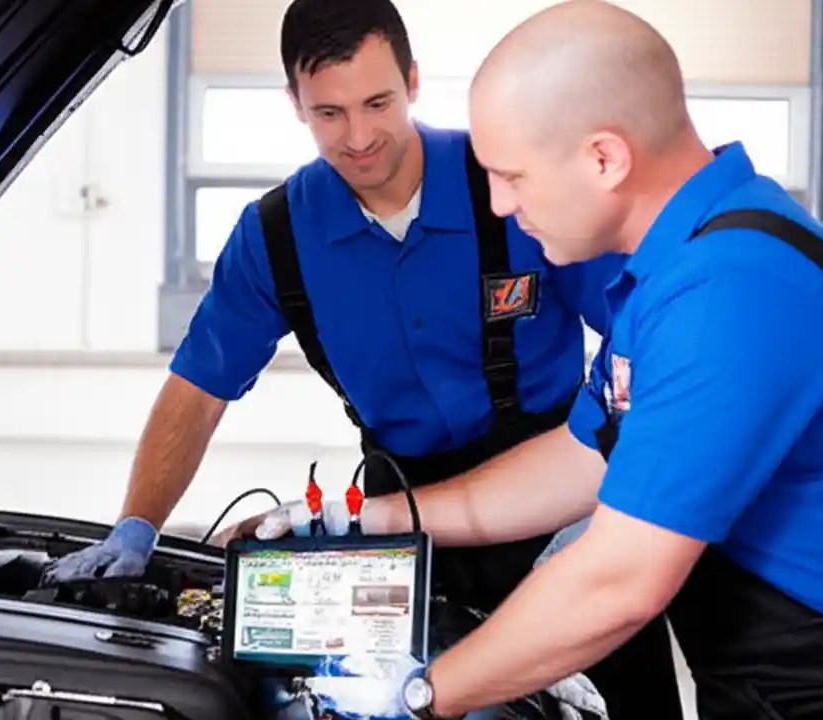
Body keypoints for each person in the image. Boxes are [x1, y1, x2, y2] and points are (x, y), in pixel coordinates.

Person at [44, 0, 683, 716]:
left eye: (378, 102)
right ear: (294, 104)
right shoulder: (277, 237)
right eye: (329, 113)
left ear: (412, 79)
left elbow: (650, 335)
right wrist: (138, 525)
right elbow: (198, 388)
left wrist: (622, 498)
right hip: (403, 531)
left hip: (561, 506)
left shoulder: (510, 187)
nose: (359, 137)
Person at [244, 1, 823, 717]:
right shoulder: (680, 270)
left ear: (604, 157)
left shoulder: (729, 291)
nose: (500, 206)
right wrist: (376, 517)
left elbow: (619, 583)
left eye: (513, 176)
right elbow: (578, 460)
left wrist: (420, 694)